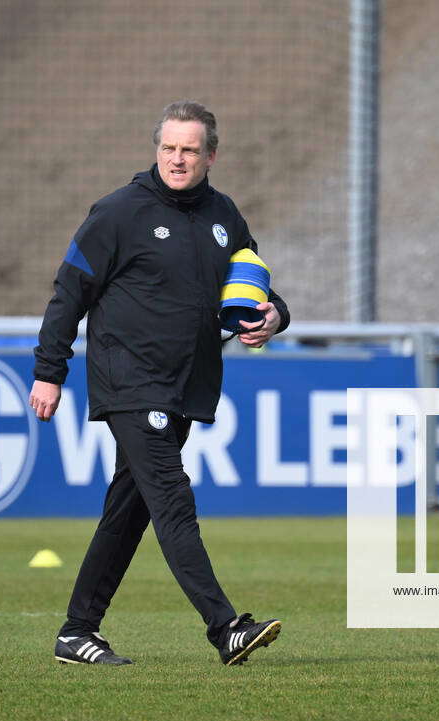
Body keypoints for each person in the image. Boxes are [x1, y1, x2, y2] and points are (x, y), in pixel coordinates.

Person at [29, 101, 290, 667]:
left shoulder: (224, 215)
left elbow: (253, 285)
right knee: (172, 497)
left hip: (185, 386)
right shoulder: (117, 212)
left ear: (210, 156)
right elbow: (68, 293)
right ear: (157, 150)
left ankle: (77, 631)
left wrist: (275, 316)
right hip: (129, 379)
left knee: (129, 511)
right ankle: (225, 628)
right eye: (168, 148)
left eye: (189, 150)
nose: (177, 159)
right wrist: (50, 371)